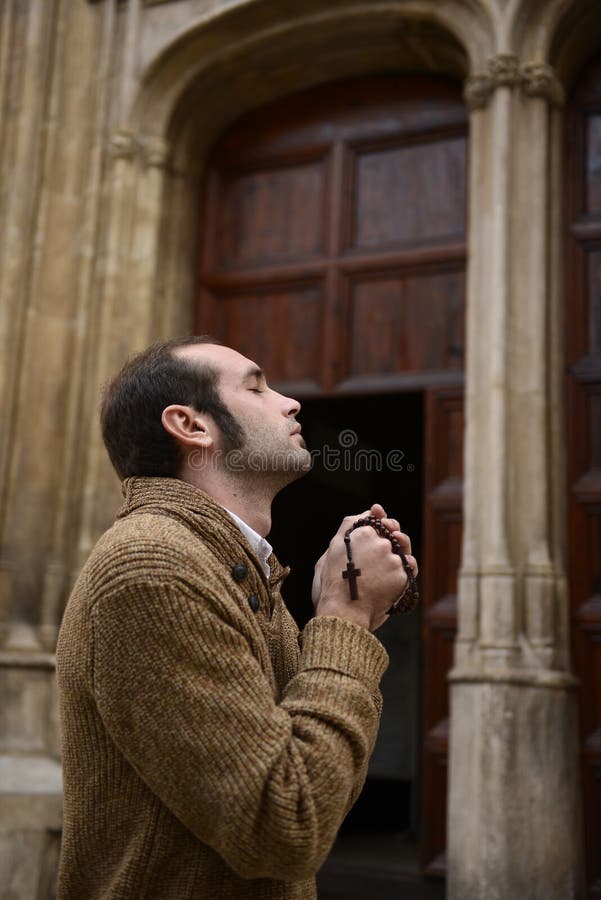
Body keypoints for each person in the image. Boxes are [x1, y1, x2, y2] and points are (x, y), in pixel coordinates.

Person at [56, 335, 418, 900]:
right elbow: (285, 827)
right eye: (257, 386)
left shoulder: (231, 564)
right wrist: (344, 615)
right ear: (192, 425)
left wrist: (353, 613)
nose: (290, 402)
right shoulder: (152, 567)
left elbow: (317, 785)